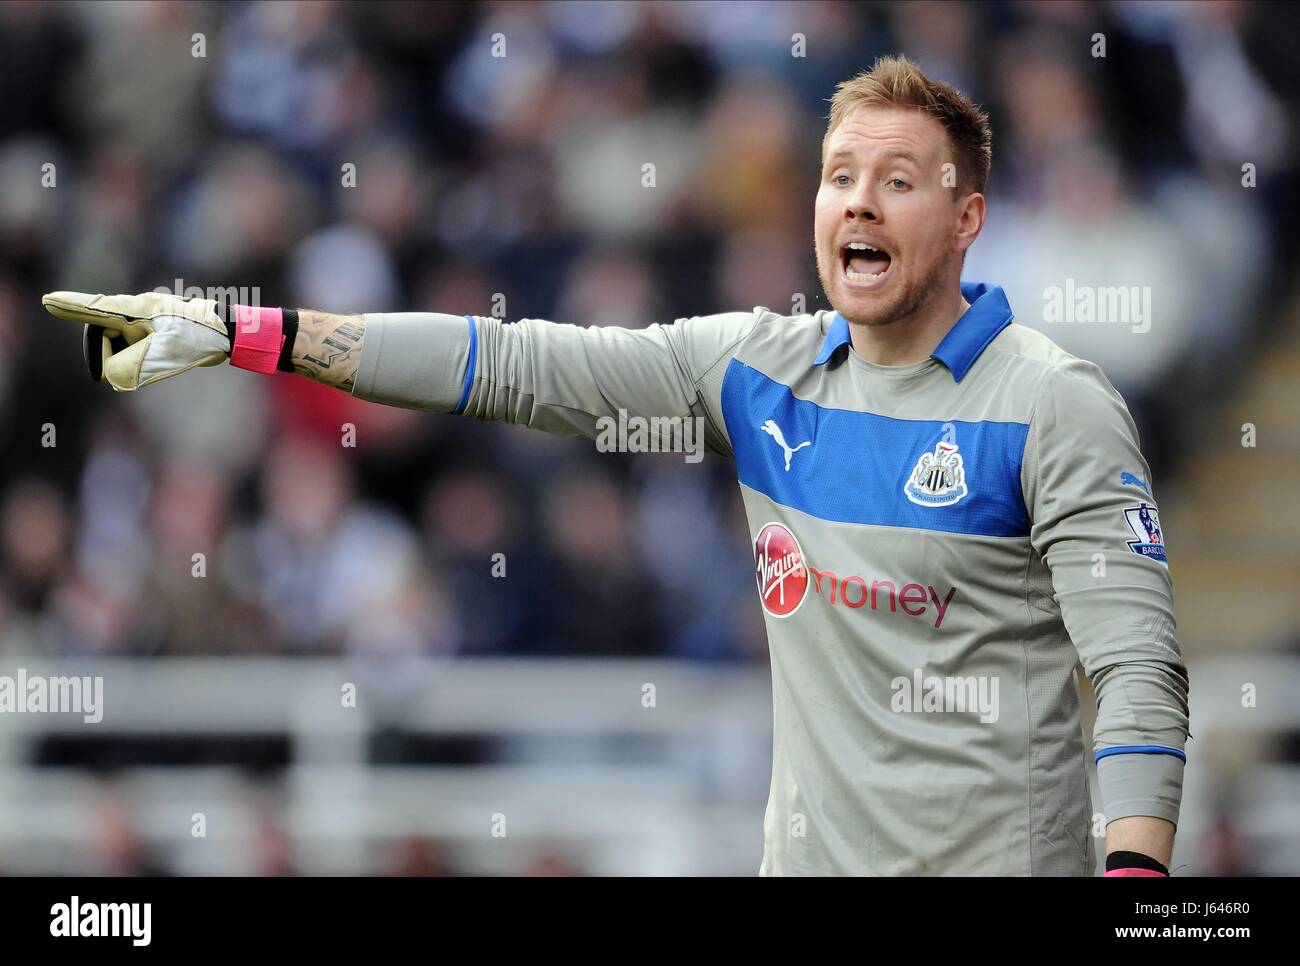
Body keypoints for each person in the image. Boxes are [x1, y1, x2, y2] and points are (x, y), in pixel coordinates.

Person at [42, 55, 1188, 877]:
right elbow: (507, 362)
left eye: (898, 178)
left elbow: (1137, 674)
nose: (858, 200)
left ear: (968, 215)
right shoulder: (759, 370)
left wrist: (1134, 887)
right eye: (840, 174)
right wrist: (249, 334)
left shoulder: (1051, 404)